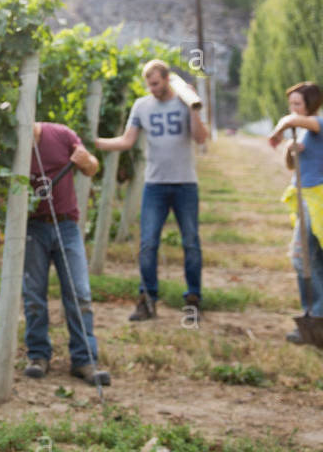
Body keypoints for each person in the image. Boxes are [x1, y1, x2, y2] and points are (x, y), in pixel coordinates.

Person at [95, 59, 209, 321]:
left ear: (167, 79)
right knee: (147, 244)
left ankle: (193, 299)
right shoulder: (142, 106)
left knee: (191, 243)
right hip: (155, 184)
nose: (152, 88)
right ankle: (147, 299)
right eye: (148, 84)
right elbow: (127, 141)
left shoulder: (184, 101)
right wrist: (94, 143)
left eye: (156, 83)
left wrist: (193, 108)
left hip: (185, 184)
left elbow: (201, 138)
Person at [23, 121, 110, 386]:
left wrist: (86, 160)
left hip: (66, 225)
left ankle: (84, 360)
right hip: (32, 227)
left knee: (79, 293)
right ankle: (38, 355)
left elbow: (92, 168)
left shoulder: (60, 135)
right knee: (34, 294)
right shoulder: (8, 145)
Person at [267, 82, 323, 346]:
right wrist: (290, 149)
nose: (293, 109)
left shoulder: (321, 125)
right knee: (311, 262)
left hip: (316, 201)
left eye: (298, 104)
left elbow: (289, 120)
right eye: (291, 104)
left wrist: (279, 131)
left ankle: (318, 320)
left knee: (305, 260)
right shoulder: (304, 133)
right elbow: (293, 165)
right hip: (304, 198)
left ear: (310, 105)